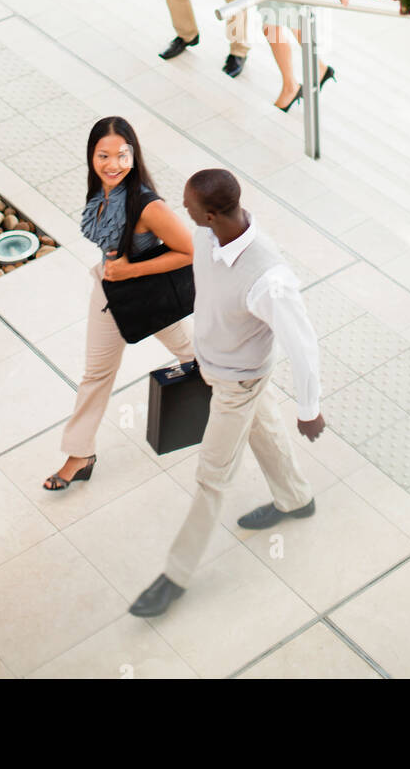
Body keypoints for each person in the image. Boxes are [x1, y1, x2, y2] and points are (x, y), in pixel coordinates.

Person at [129, 168, 325, 617]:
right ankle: (296, 499)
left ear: (212, 214)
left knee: (212, 476)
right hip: (217, 367)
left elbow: (303, 344)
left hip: (240, 382)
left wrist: (310, 409)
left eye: (189, 205)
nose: (184, 210)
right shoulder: (207, 236)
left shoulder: (269, 278)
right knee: (264, 429)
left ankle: (175, 576)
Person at [43, 116, 195, 491]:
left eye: (121, 155)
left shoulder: (148, 205)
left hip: (143, 293)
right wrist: (115, 273)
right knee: (96, 373)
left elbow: (190, 251)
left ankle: (237, 399)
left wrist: (127, 272)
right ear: (91, 156)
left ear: (134, 154)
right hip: (111, 289)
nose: (113, 164)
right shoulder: (103, 191)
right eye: (103, 155)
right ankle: (80, 454)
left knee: (194, 355)